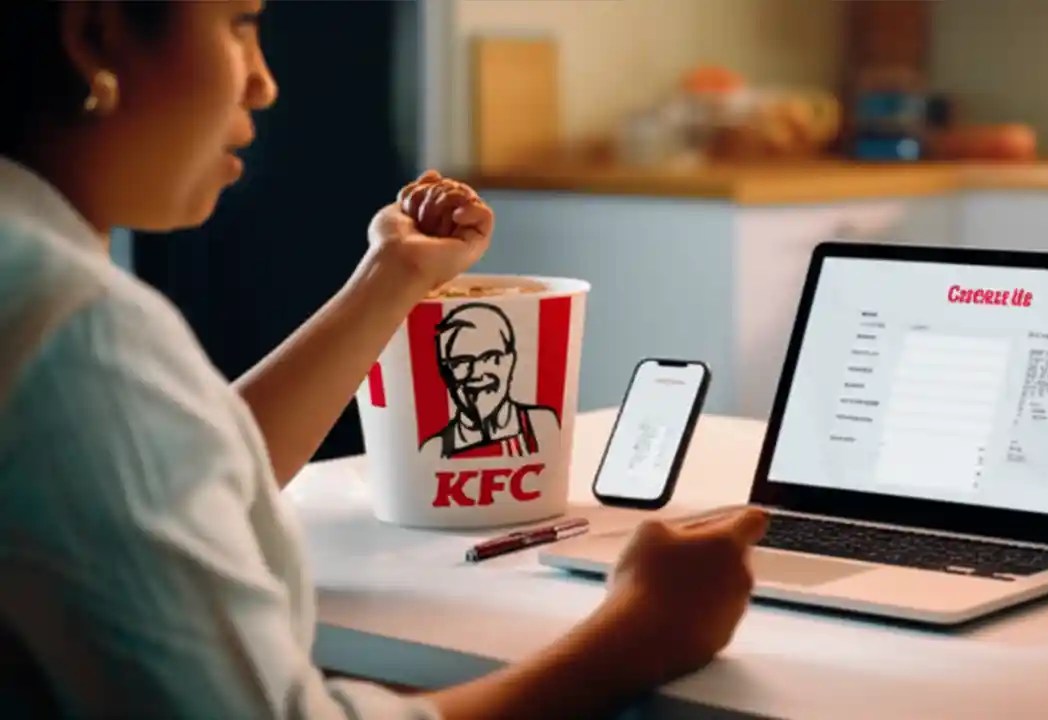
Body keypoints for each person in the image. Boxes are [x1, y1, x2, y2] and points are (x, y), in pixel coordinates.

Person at [0, 2, 768, 718]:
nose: (264, 83)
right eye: (238, 22)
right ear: (93, 36)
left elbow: (173, 463)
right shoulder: (79, 330)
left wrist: (391, 278)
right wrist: (640, 633)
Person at [425, 303, 559, 459]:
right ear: (445, 373)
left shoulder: (541, 424)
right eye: (460, 362)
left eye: (490, 357)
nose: (476, 373)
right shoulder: (434, 450)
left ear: (510, 361)